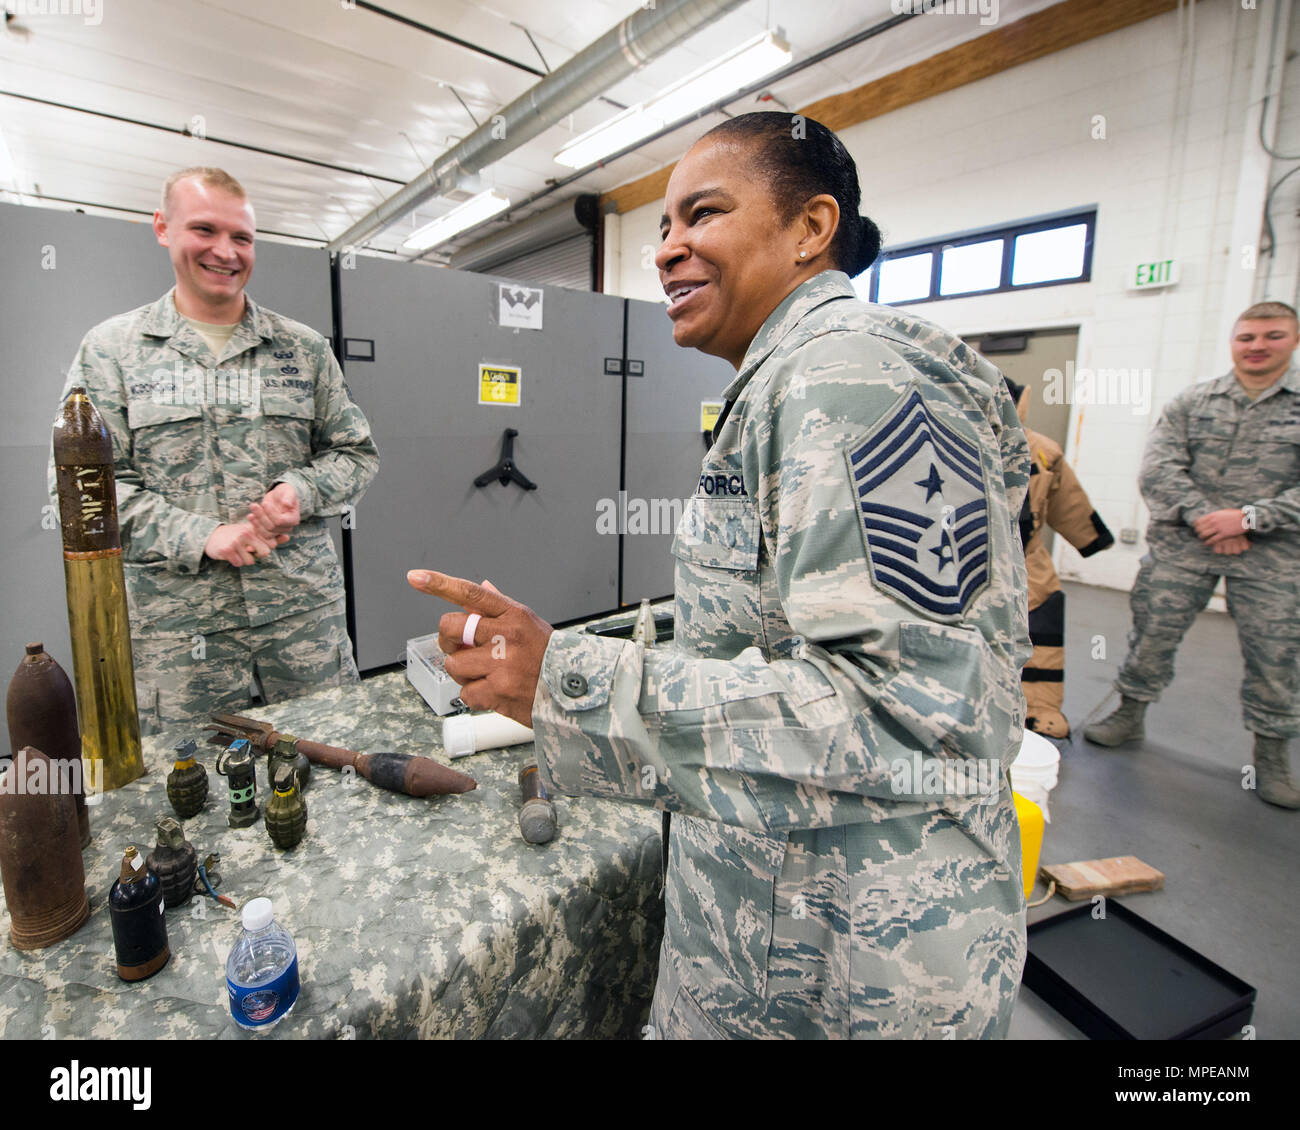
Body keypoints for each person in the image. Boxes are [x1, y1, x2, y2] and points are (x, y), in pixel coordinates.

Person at [408, 112, 1031, 1038]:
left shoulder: (848, 380)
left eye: (702, 213)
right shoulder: (784, 384)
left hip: (846, 974)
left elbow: (915, 717)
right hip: (777, 936)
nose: (668, 249)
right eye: (661, 227)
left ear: (811, 230)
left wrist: (571, 682)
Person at [52, 167, 378, 735]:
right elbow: (77, 496)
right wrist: (202, 536)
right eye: (204, 230)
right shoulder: (112, 352)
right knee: (193, 794)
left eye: (242, 238)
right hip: (180, 633)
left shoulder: (302, 348)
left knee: (335, 764)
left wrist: (298, 491)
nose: (225, 252)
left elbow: (356, 455)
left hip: (301, 617)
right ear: (162, 228)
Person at [1084, 302, 1300, 809]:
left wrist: (1247, 519)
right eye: (1247, 336)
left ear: (1292, 341)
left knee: (1276, 655)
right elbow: (1158, 470)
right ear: (1233, 341)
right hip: (1186, 544)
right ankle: (1129, 714)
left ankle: (1270, 756)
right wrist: (1211, 519)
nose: (1257, 346)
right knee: (1152, 634)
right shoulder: (1195, 401)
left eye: (1272, 336)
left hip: (1273, 556)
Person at [1005, 378, 1114, 738]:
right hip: (959, 564)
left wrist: (1091, 537)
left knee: (1040, 636)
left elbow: (1068, 500)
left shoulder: (1043, 451)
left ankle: (1038, 708)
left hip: (1026, 564)